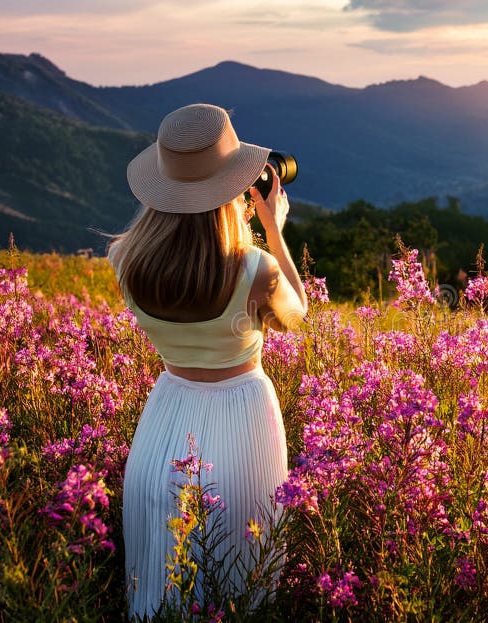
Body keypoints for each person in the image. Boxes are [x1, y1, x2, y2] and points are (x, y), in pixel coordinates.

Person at [107, 103, 307, 619]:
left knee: (164, 571)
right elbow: (296, 316)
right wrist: (273, 226)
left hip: (165, 419)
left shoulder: (126, 260)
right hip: (244, 419)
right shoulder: (254, 268)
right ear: (231, 189)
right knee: (241, 565)